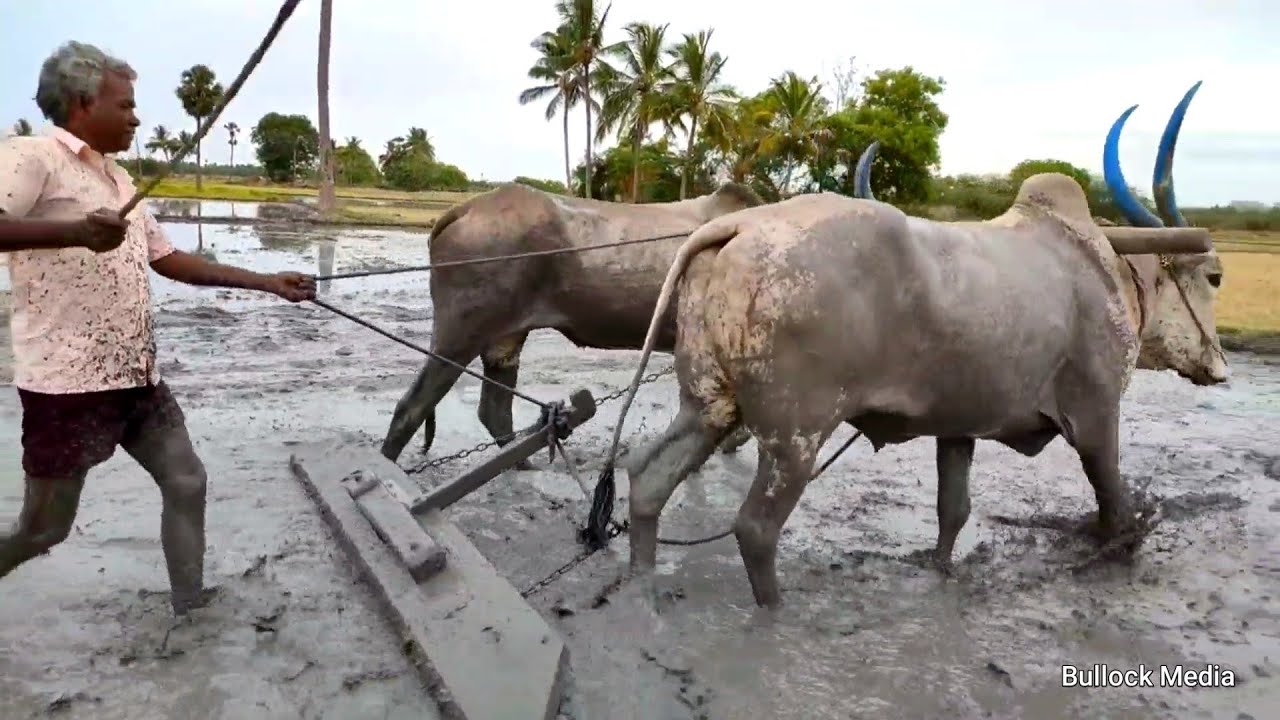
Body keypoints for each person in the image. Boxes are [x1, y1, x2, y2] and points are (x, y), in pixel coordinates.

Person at [0, 41, 318, 616]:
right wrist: (75, 232)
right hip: (65, 386)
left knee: (187, 481)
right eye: (125, 105)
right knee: (43, 532)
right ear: (80, 103)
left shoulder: (120, 181)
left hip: (137, 376)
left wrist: (269, 281)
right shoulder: (32, 156)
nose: (136, 117)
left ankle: (191, 610)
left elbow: (171, 260)